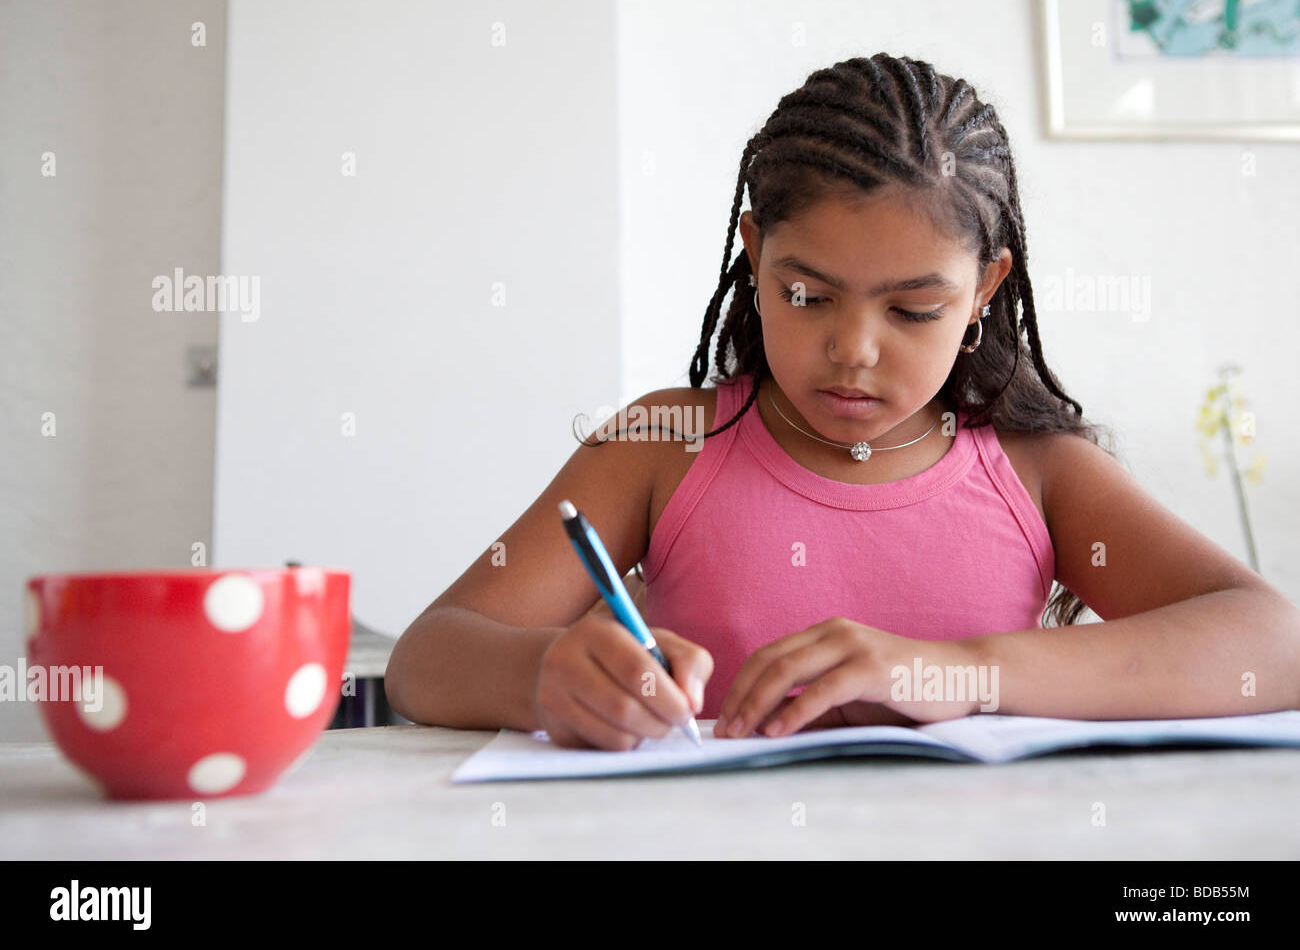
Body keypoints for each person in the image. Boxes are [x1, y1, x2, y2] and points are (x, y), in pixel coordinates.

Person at [385, 54, 1300, 750]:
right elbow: (426, 659)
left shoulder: (1039, 472)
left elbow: (1274, 642)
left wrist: (956, 672)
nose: (854, 351)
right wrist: (542, 673)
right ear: (755, 254)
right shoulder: (663, 446)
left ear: (984, 291)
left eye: (914, 309)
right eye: (807, 296)